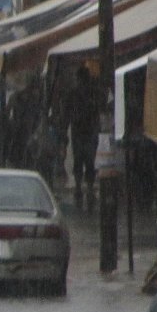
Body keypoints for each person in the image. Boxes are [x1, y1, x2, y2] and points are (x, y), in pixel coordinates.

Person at [67, 66, 101, 211]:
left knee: (81, 159)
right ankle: (86, 186)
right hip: (87, 131)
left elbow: (68, 112)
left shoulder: (76, 93)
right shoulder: (91, 92)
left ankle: (82, 186)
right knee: (87, 160)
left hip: (81, 131)